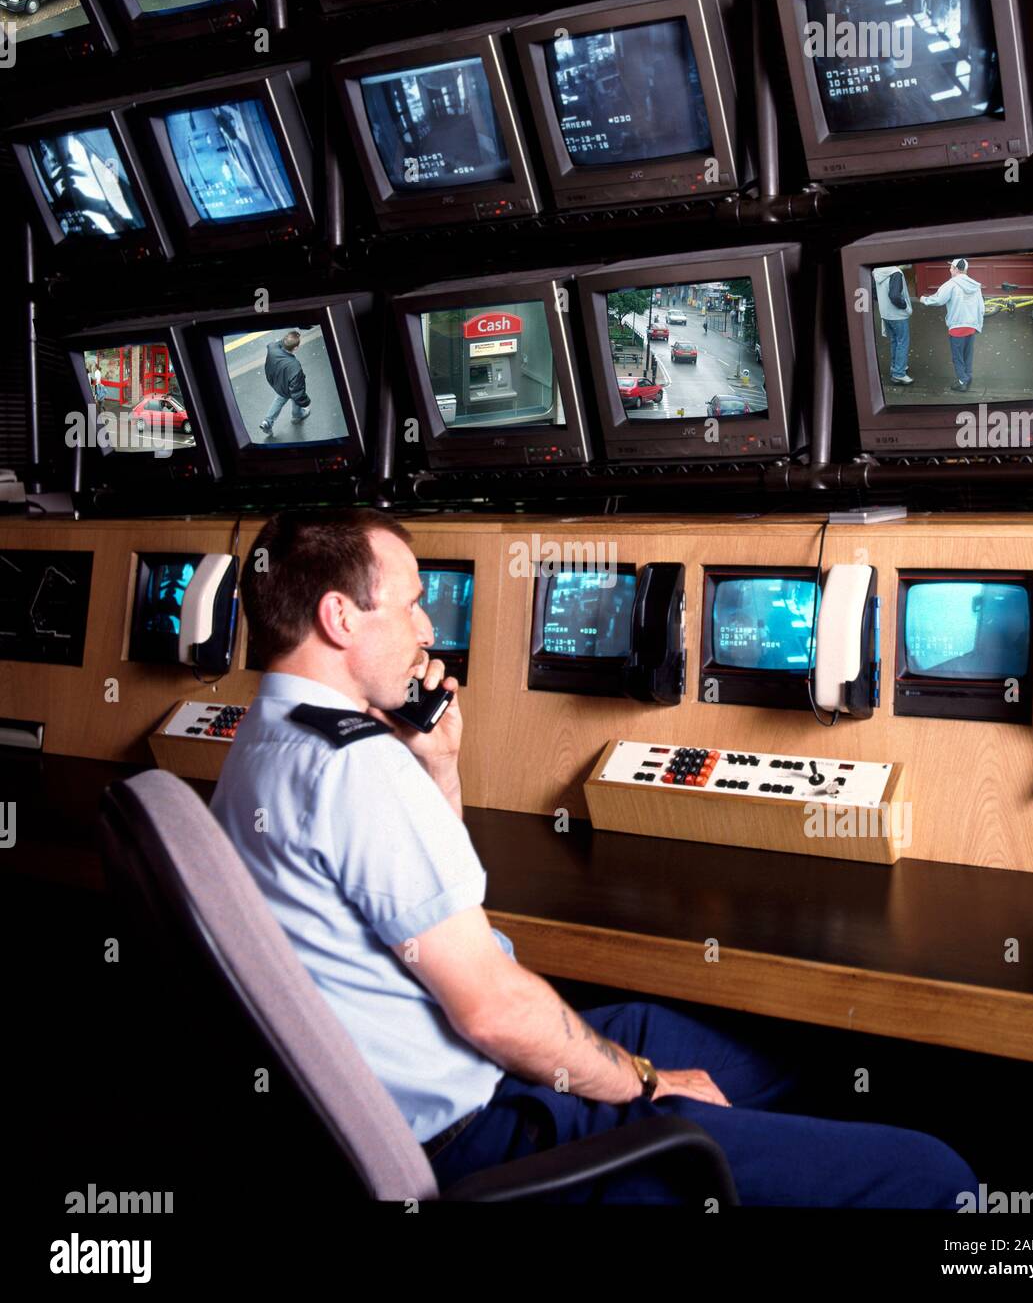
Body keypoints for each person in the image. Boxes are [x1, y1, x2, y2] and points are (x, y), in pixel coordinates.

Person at [209, 507, 979, 1207]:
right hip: (486, 1127)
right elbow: (493, 1010)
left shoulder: (268, 738)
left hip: (446, 1061)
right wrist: (646, 1085)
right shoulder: (353, 765)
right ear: (339, 617)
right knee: (934, 1176)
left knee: (774, 1058)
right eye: (411, 602)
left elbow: (437, 914)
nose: (426, 632)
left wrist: (439, 765)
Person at [919, 258, 985, 393]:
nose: (949, 270)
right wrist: (979, 324)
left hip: (957, 326)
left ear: (956, 269)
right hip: (971, 326)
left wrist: (924, 299)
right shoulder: (975, 286)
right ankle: (968, 376)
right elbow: (981, 307)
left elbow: (938, 299)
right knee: (968, 354)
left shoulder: (951, 284)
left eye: (951, 268)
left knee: (957, 357)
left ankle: (962, 381)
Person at [259, 330, 311, 435]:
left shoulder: (273, 348)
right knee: (293, 396)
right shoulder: (295, 366)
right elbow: (297, 392)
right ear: (295, 348)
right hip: (286, 386)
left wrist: (287, 338)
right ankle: (297, 415)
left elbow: (272, 344)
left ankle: (267, 422)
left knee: (280, 398)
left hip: (276, 382)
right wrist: (305, 401)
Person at [873, 264, 913, 385]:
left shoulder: (877, 272)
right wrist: (904, 305)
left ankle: (895, 367)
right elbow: (895, 296)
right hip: (897, 315)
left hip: (885, 313)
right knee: (902, 342)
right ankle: (899, 373)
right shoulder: (896, 273)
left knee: (895, 341)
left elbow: (874, 293)